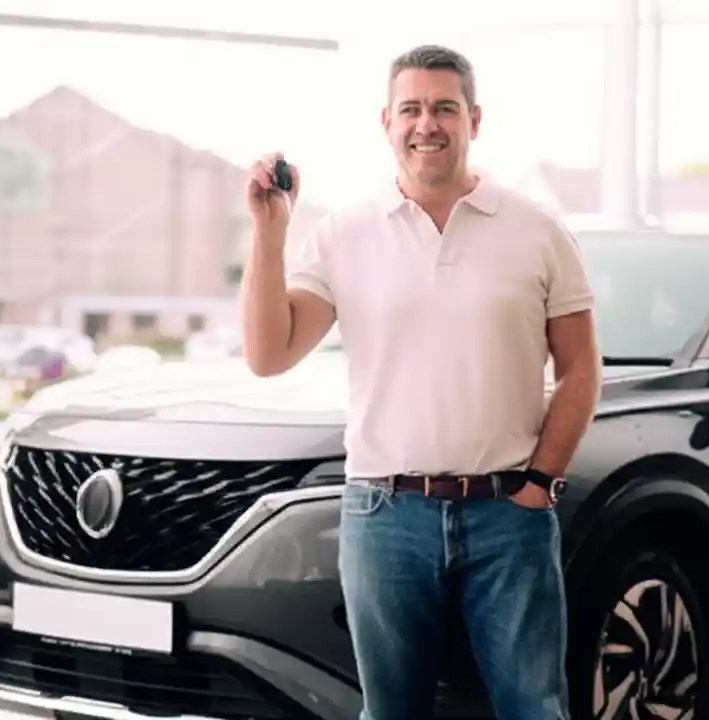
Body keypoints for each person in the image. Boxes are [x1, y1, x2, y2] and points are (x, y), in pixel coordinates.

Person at [239, 44, 601, 720]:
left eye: (443, 108)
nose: (426, 124)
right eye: (411, 109)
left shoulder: (537, 230)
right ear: (386, 122)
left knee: (535, 708)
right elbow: (269, 353)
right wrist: (268, 233)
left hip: (508, 517)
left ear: (474, 119)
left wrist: (538, 487)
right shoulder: (345, 234)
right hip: (384, 518)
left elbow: (581, 369)